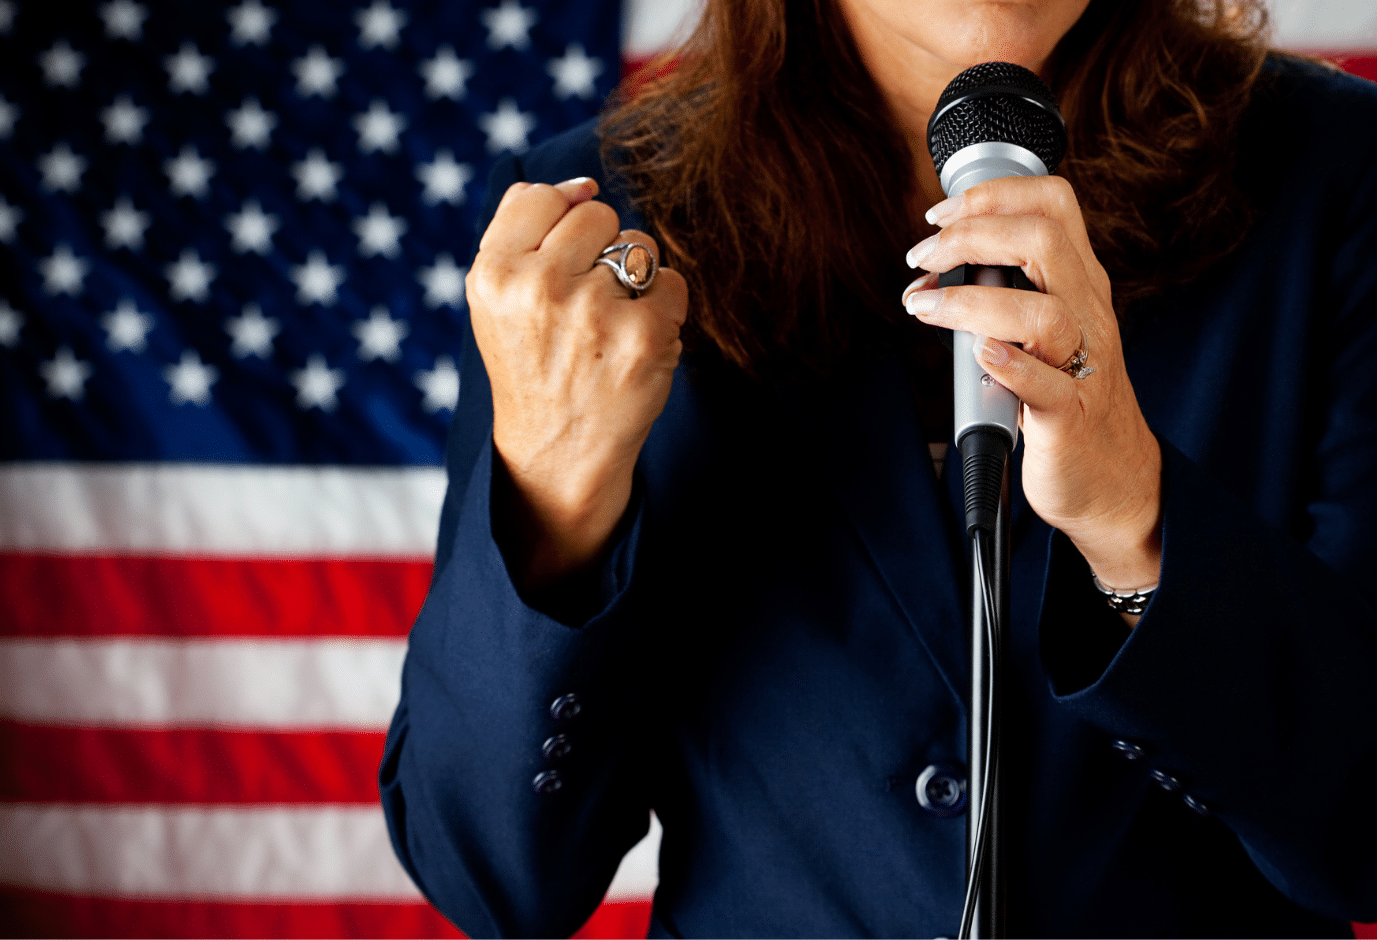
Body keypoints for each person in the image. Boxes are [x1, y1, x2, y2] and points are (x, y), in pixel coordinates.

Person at [380, 0, 1377, 935]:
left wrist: (1136, 514)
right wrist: (556, 494)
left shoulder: (1340, 177)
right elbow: (492, 879)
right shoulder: (597, 235)